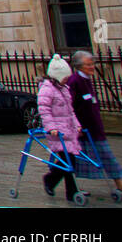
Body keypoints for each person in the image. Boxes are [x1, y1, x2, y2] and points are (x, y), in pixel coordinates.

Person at [67, 50, 122, 198]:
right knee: (99, 157)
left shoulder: (87, 79)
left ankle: (64, 185)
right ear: (79, 66)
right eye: (88, 64)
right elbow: (69, 106)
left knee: (79, 158)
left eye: (92, 64)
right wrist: (76, 125)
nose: (92, 67)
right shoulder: (75, 81)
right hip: (84, 130)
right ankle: (121, 187)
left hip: (94, 128)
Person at [37, 54, 84, 203]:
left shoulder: (64, 88)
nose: (67, 79)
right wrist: (51, 128)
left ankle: (57, 183)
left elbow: (70, 111)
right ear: (56, 76)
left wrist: (77, 125)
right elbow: (44, 110)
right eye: (64, 77)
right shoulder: (47, 89)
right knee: (67, 160)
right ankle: (64, 188)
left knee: (70, 160)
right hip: (57, 131)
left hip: (68, 129)